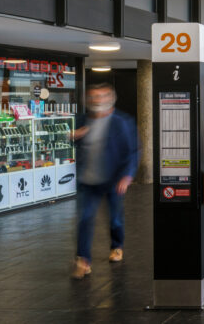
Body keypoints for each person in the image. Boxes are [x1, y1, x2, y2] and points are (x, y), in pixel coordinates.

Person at [71, 83, 139, 279]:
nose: (97, 101)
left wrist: (127, 175)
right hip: (88, 180)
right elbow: (77, 142)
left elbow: (133, 151)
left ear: (111, 99)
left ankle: (117, 246)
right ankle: (83, 260)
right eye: (93, 97)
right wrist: (74, 137)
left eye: (101, 96)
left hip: (113, 180)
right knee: (85, 219)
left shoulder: (121, 122)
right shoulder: (82, 119)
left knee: (115, 218)